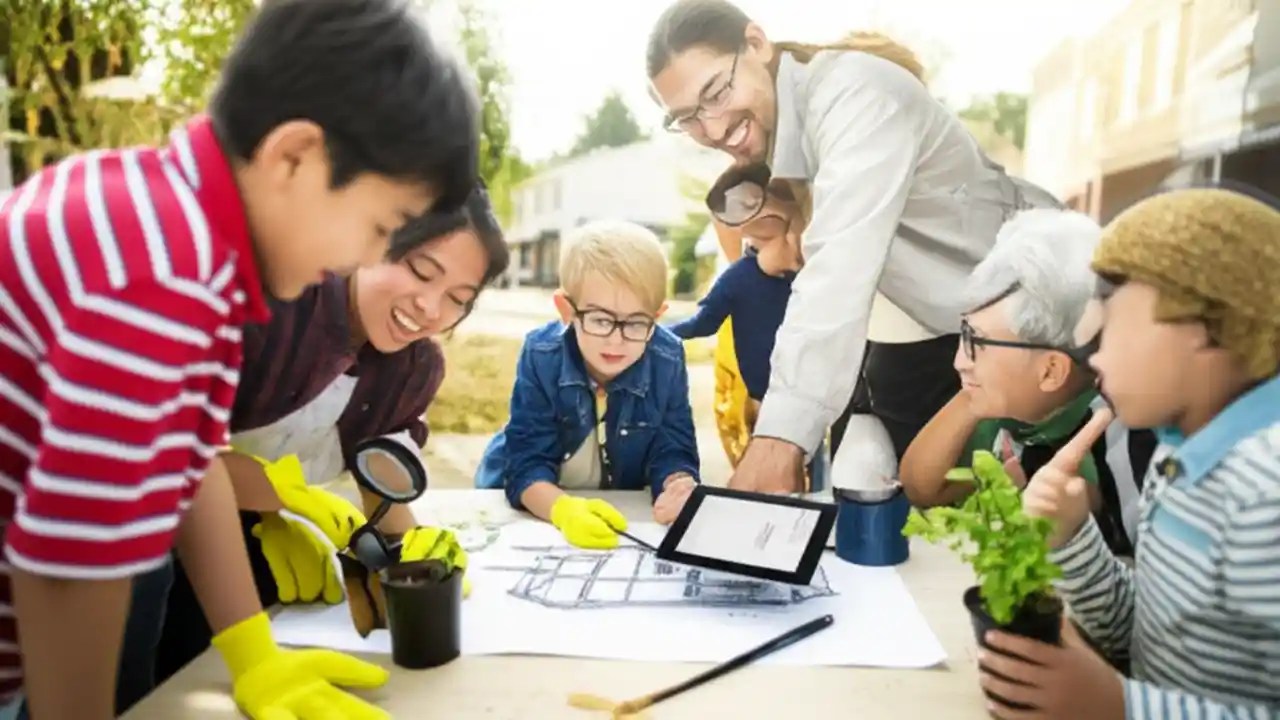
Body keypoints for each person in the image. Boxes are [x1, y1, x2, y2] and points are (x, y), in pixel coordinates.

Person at [0, 0, 479, 717]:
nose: (362, 260)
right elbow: (70, 565)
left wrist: (251, 651)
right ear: (294, 157)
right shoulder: (160, 274)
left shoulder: (190, 246)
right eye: (380, 227)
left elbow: (192, 469)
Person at [646, 3, 1061, 494]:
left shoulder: (856, 93)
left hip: (1043, 326)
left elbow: (837, 269)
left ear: (757, 44)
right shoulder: (785, 136)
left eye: (715, 92)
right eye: (687, 118)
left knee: (1052, 508)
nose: (712, 130)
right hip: (945, 333)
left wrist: (779, 440)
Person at [153, 186, 508, 686]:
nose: (430, 307)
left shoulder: (414, 367)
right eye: (420, 270)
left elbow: (382, 485)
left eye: (458, 299)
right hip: (133, 541)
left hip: (250, 557)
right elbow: (174, 453)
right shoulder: (271, 301)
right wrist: (282, 498)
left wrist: (412, 550)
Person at [978, 188, 1280, 718]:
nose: (1096, 359)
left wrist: (1120, 705)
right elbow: (1142, 636)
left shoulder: (1265, 496)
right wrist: (1072, 536)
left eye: (1112, 327)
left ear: (1205, 327)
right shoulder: (1179, 459)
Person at [899, 209, 1157, 557]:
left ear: (1051, 371)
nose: (959, 361)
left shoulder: (1112, 440)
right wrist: (973, 393)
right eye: (963, 334)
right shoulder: (1003, 402)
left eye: (977, 342)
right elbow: (919, 487)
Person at [475, 221, 700, 548]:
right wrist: (563, 510)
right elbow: (525, 463)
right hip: (537, 507)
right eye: (600, 319)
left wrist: (679, 486)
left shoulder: (667, 357)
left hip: (620, 509)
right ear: (567, 311)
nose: (617, 339)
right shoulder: (541, 355)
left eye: (636, 322)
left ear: (657, 315)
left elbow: (673, 445)